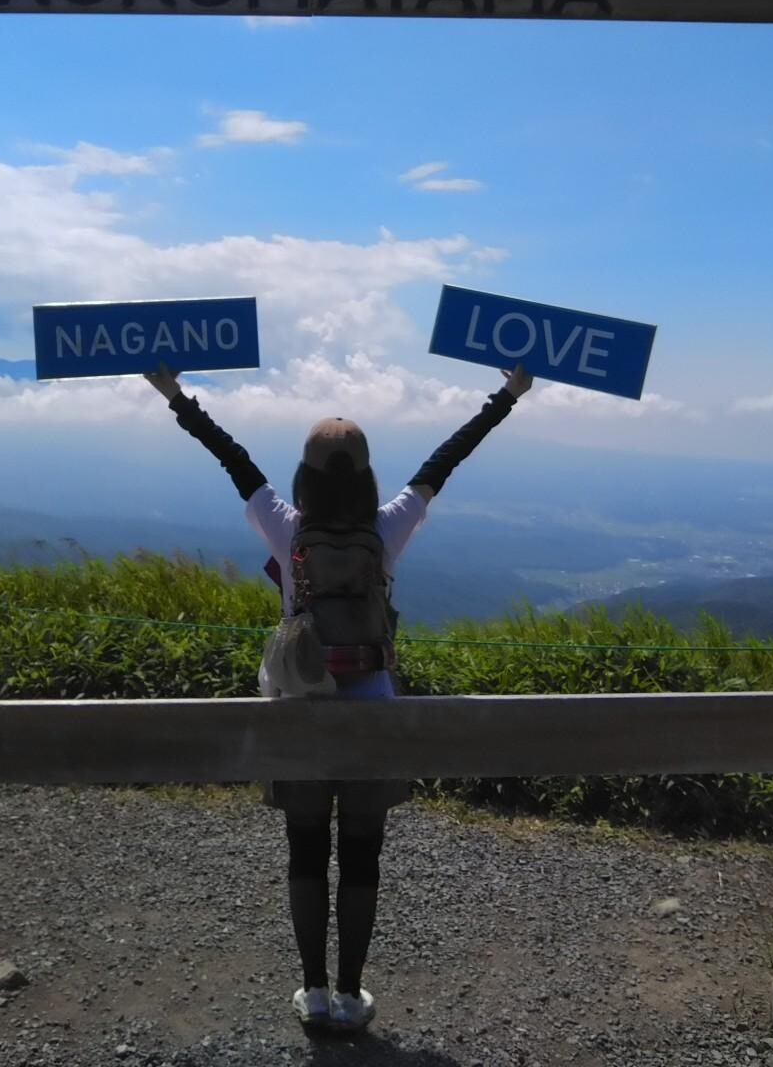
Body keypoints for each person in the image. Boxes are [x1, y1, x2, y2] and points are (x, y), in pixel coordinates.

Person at [144, 361, 534, 1033]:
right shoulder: (388, 528)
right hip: (373, 711)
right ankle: (353, 996)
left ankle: (313, 992)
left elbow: (230, 456)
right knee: (360, 853)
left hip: (299, 710)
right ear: (367, 472)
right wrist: (508, 396)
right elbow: (446, 459)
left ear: (306, 473)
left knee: (304, 849)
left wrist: (175, 395)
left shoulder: (286, 527)